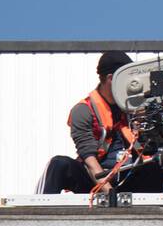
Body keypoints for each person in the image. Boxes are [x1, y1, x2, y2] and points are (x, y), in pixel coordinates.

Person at [38, 50, 136, 194]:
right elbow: (89, 159)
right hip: (94, 179)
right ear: (111, 79)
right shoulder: (83, 110)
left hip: (127, 176)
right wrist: (110, 194)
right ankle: (42, 213)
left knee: (156, 168)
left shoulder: (136, 108)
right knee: (59, 164)